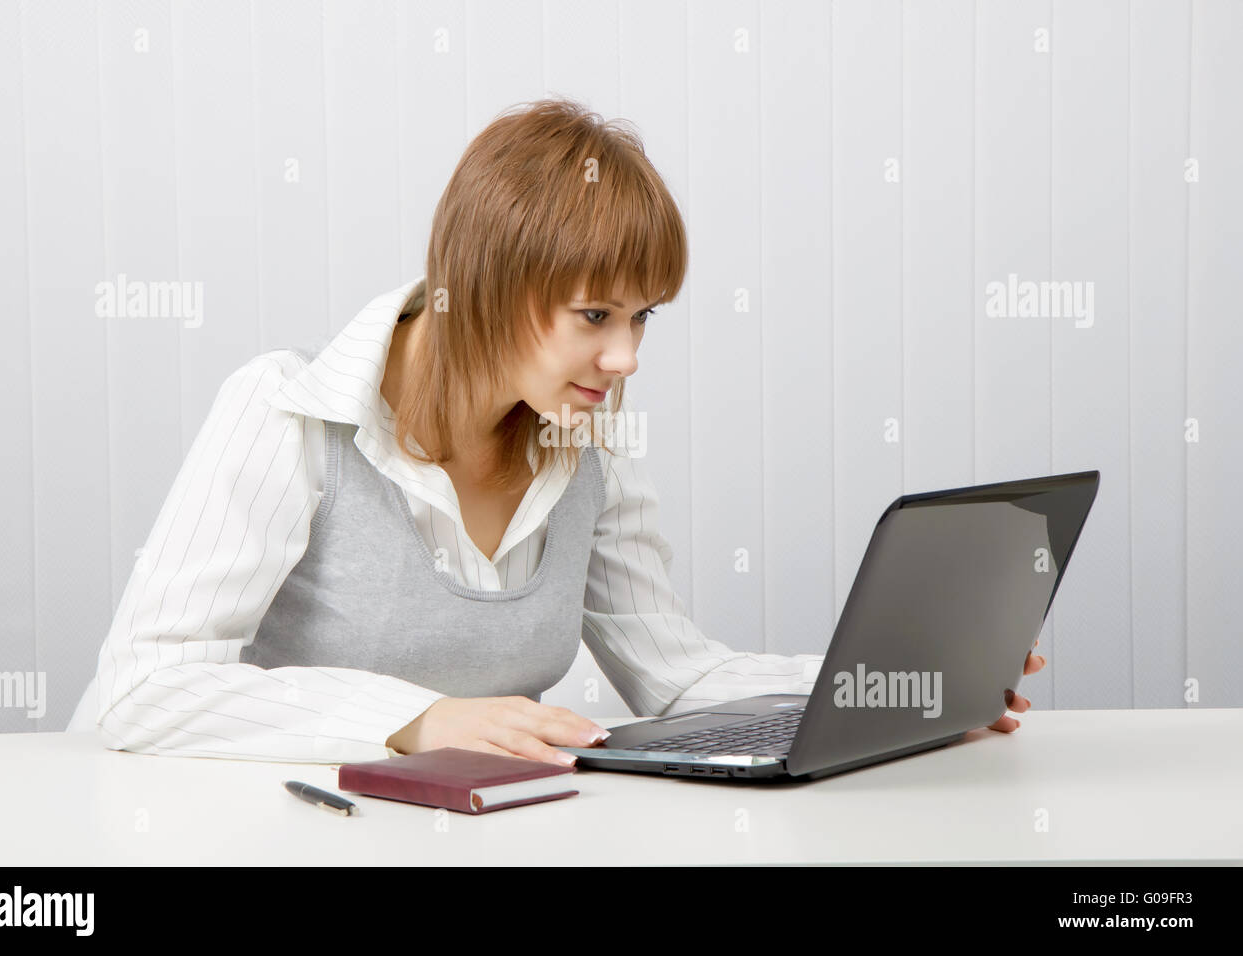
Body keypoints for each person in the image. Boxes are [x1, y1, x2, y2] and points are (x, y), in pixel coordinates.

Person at [67, 97, 1041, 766]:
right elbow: (140, 690)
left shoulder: (585, 454)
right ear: (486, 286)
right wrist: (418, 719)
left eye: (642, 317)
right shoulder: (285, 416)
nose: (625, 358)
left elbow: (678, 676)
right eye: (594, 315)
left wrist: (895, 684)